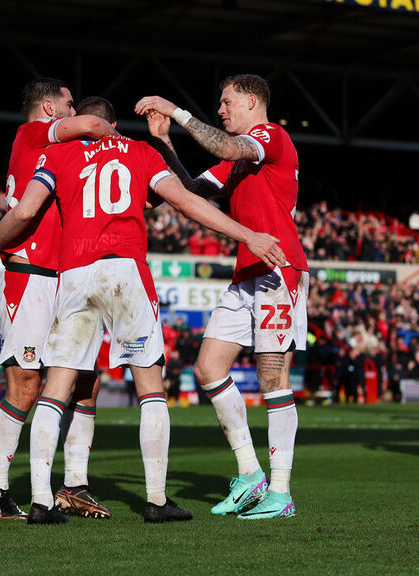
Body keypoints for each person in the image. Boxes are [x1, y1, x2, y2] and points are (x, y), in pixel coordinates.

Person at [0, 96, 285, 524]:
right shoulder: (139, 151)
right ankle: (156, 501)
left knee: (57, 388)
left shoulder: (58, 154)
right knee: (150, 388)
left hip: (75, 274)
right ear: (114, 124)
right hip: (126, 272)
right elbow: (187, 202)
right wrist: (248, 235)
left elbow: (27, 209)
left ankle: (41, 501)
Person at [135, 73, 309, 519]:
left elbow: (229, 147)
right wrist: (165, 142)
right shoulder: (238, 162)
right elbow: (190, 193)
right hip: (246, 271)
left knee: (272, 379)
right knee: (208, 368)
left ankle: (282, 493)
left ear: (251, 101)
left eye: (227, 102)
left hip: (278, 268)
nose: (220, 109)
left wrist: (175, 109)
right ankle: (251, 475)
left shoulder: (270, 136)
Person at [0, 78, 118, 521]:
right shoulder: (33, 133)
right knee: (25, 383)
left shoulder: (62, 155)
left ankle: (74, 484)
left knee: (84, 380)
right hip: (30, 272)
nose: (74, 112)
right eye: (68, 104)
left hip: (67, 275)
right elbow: (93, 123)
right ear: (48, 108)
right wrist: (114, 135)